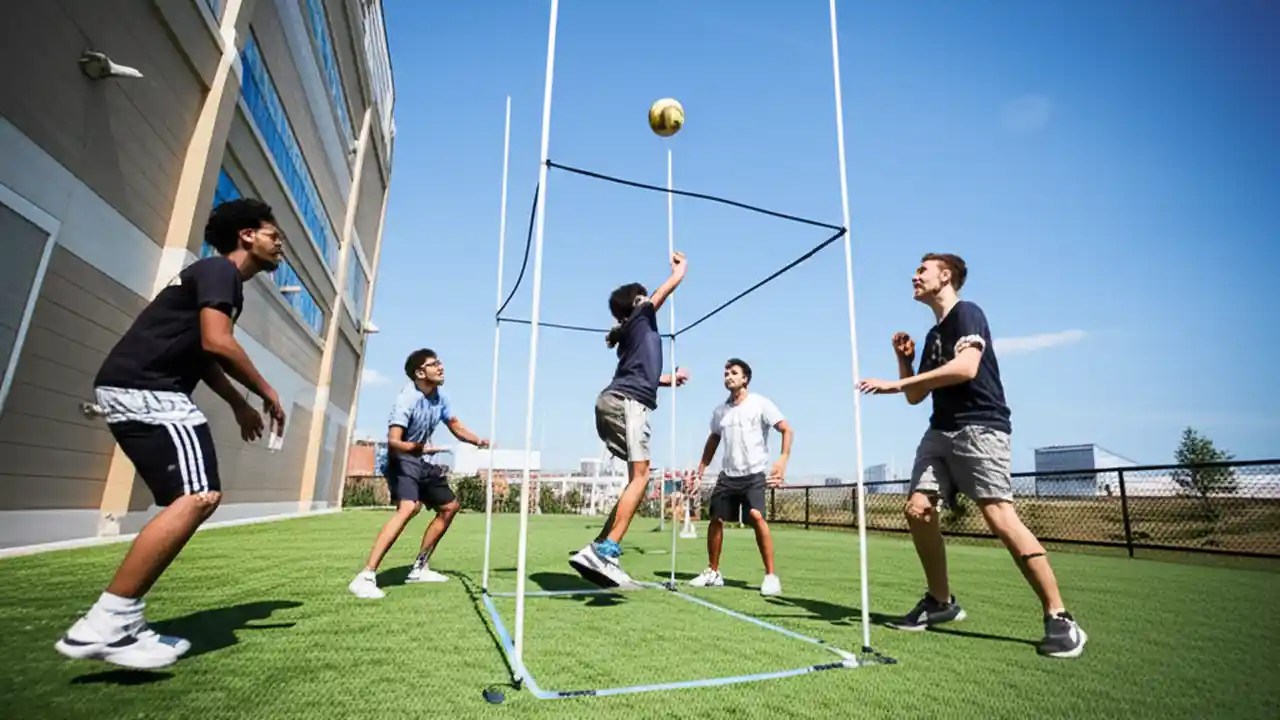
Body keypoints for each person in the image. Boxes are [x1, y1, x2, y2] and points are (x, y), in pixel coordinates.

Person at [55, 198, 288, 670]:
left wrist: (239, 404)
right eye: (272, 233)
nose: (278, 241)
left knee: (191, 497)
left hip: (140, 389)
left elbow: (201, 354)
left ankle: (120, 621)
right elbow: (217, 342)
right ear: (247, 235)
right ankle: (107, 622)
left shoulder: (220, 283)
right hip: (148, 389)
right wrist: (267, 391)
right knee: (199, 496)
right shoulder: (220, 272)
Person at [858, 252, 1087, 659]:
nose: (913, 275)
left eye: (922, 270)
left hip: (981, 428)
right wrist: (905, 362)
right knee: (917, 509)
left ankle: (1060, 616)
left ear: (945, 276)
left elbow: (966, 368)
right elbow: (915, 396)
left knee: (999, 516)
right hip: (939, 431)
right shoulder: (932, 337)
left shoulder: (967, 313)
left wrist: (893, 383)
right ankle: (940, 602)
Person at [569, 251, 690, 588]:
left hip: (614, 400)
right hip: (628, 403)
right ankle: (606, 551)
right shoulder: (643, 314)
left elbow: (640, 373)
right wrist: (680, 273)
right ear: (638, 299)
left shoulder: (632, 333)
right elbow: (659, 296)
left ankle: (597, 548)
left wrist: (668, 379)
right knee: (641, 476)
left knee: (634, 480)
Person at [348, 348, 489, 599]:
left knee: (450, 506)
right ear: (420, 372)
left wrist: (478, 440)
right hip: (400, 458)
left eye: (441, 363)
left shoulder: (440, 397)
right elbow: (393, 442)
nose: (441, 367)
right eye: (435, 364)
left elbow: (455, 426)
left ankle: (420, 567)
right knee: (409, 508)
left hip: (419, 458)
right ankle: (365, 576)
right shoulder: (407, 400)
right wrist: (419, 447)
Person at [689, 358, 792, 596]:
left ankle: (770, 576)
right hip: (728, 475)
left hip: (754, 473)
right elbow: (714, 439)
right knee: (716, 519)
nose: (728, 376)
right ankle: (713, 573)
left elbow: (787, 429)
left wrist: (782, 459)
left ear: (745, 378)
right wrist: (701, 467)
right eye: (725, 373)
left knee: (756, 516)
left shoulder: (760, 404)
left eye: (733, 372)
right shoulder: (720, 411)